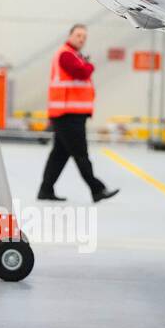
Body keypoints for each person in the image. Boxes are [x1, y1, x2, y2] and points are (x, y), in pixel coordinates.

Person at [39, 24, 118, 202]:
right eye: (78, 35)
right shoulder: (66, 54)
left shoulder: (73, 55)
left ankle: (45, 190)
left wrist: (85, 63)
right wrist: (89, 65)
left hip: (68, 113)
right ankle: (97, 189)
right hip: (68, 114)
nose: (81, 39)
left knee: (59, 154)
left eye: (84, 37)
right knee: (81, 153)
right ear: (70, 35)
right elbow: (81, 73)